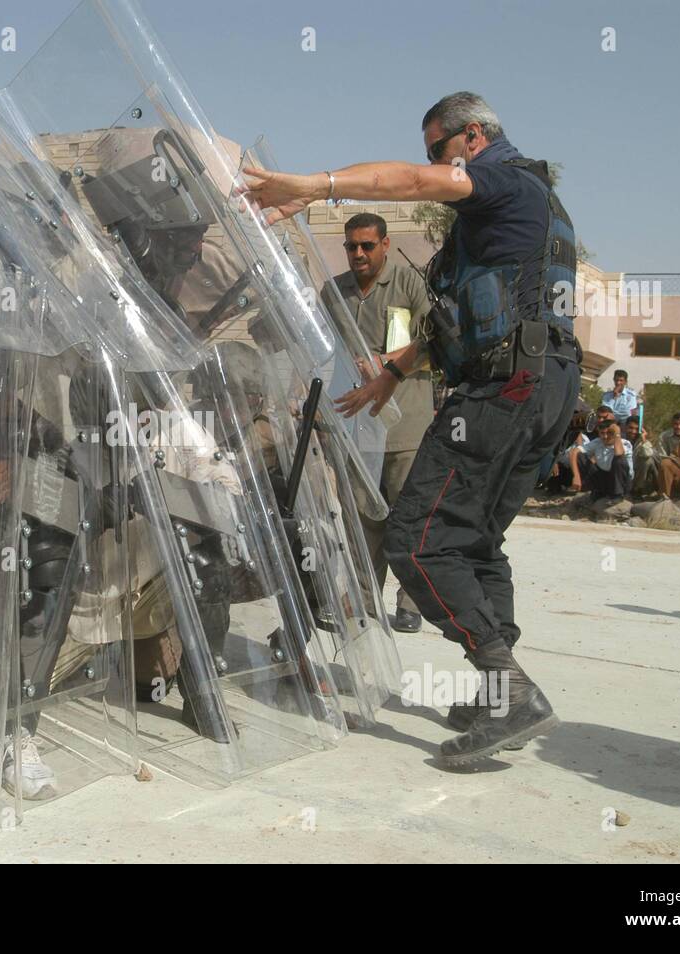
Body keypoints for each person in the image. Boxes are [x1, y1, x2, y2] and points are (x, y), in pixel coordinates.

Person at [241, 90, 582, 763]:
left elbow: (418, 181)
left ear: (473, 136)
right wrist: (391, 377)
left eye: (440, 148)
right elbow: (449, 317)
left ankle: (510, 690)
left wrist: (317, 186)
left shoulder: (503, 179)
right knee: (476, 541)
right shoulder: (516, 215)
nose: (435, 163)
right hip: (543, 383)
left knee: (416, 539)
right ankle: (498, 691)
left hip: (504, 387)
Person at [327, 213, 432, 633]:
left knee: (408, 518)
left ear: (385, 245)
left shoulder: (409, 283)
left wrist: (385, 362)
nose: (358, 254)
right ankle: (363, 600)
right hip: (358, 426)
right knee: (364, 520)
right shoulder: (334, 291)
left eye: (367, 246)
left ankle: (411, 604)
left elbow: (433, 340)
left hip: (407, 423)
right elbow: (322, 347)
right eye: (351, 246)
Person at [570, 418, 632, 501]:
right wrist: (576, 476)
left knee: (619, 460)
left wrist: (617, 434)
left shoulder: (624, 443)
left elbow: (619, 454)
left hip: (622, 481)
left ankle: (618, 494)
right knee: (580, 456)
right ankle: (598, 491)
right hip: (605, 478)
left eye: (609, 433)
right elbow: (574, 452)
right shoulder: (597, 442)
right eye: (602, 433)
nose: (606, 437)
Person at [621, 417, 659, 498]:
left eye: (636, 429)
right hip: (624, 475)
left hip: (637, 475)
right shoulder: (620, 439)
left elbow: (648, 454)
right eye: (630, 428)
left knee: (648, 460)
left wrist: (643, 440)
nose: (633, 431)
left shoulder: (643, 441)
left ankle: (638, 489)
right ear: (625, 427)